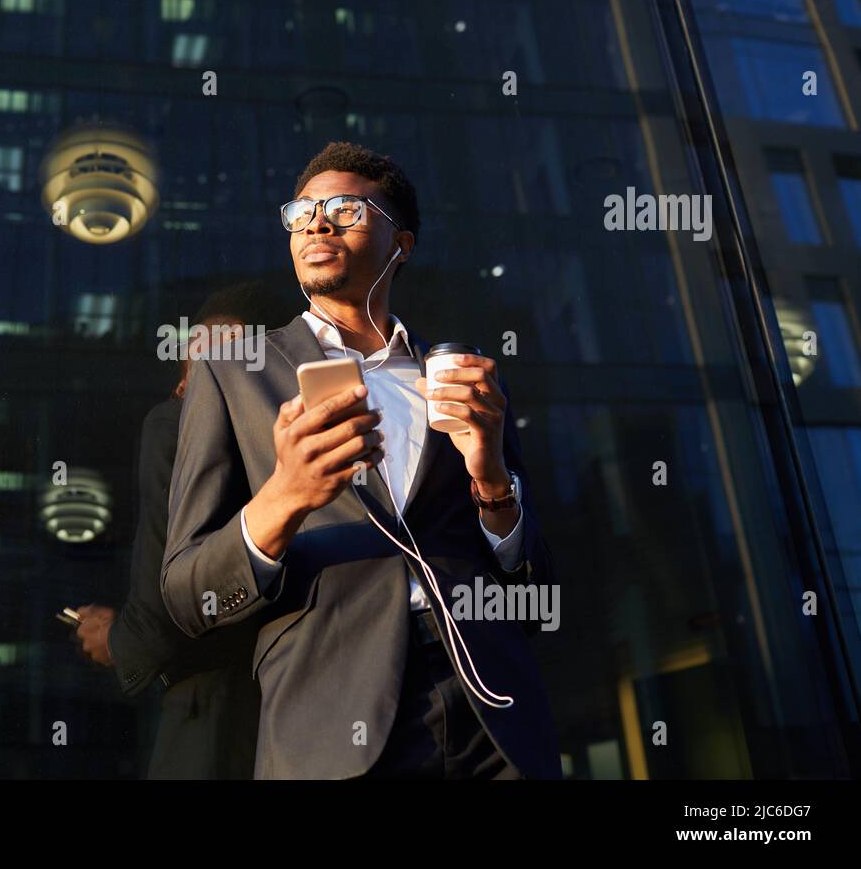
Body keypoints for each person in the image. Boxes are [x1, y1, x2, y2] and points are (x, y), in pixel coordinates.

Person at [160, 141, 561, 780]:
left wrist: (490, 478)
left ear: (401, 244)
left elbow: (536, 592)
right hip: (333, 721)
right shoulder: (234, 373)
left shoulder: (459, 378)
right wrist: (285, 496)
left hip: (495, 718)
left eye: (345, 208)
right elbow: (188, 596)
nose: (317, 223)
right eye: (302, 212)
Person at [72, 286, 271, 779]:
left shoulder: (172, 427)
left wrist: (118, 640)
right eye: (189, 371)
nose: (189, 390)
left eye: (212, 373)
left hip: (212, 703)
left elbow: (167, 591)